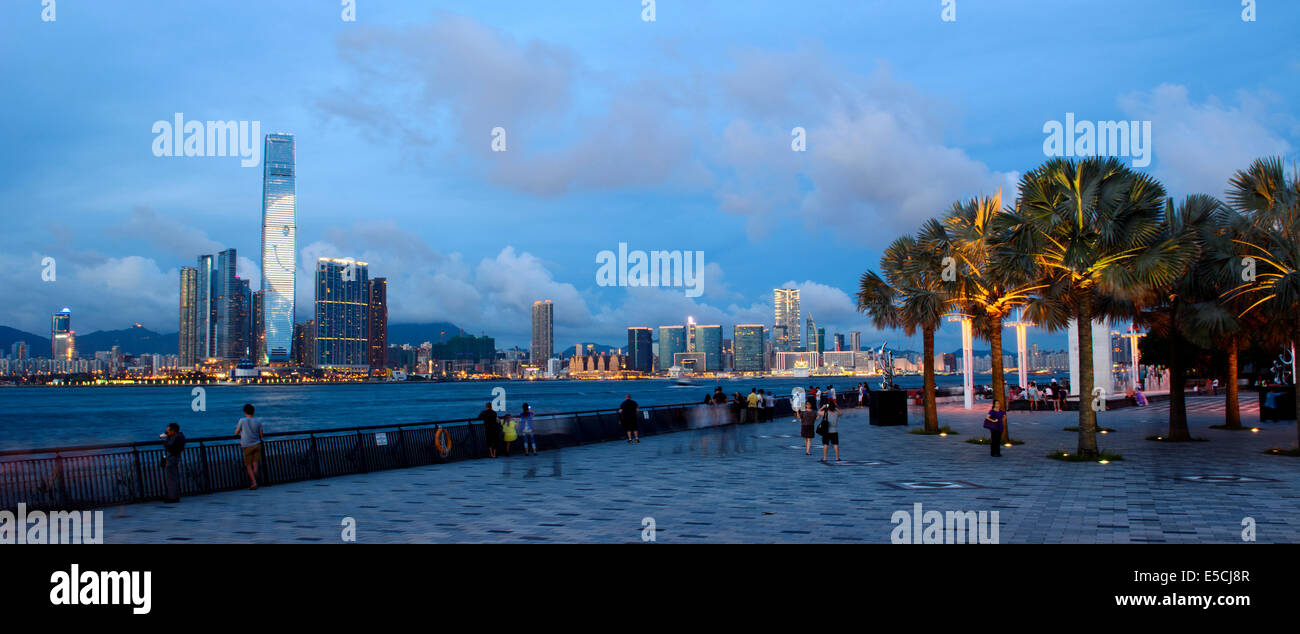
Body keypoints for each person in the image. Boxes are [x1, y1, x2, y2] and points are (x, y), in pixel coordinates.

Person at [235, 404, 264, 490]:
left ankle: (254, 483)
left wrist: (242, 433)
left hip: (247, 445)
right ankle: (254, 481)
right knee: (255, 465)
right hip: (257, 444)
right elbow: (261, 435)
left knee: (248, 466)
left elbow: (236, 432)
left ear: (245, 412)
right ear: (253, 411)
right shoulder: (258, 421)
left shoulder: (242, 420)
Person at [161, 422, 186, 503]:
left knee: (171, 478)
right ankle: (173, 496)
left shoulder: (176, 437)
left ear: (173, 430)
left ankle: (173, 497)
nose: (167, 432)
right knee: (173, 477)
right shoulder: (181, 436)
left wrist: (165, 440)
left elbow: (169, 446)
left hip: (172, 458)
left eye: (168, 431)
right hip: (175, 457)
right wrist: (168, 436)